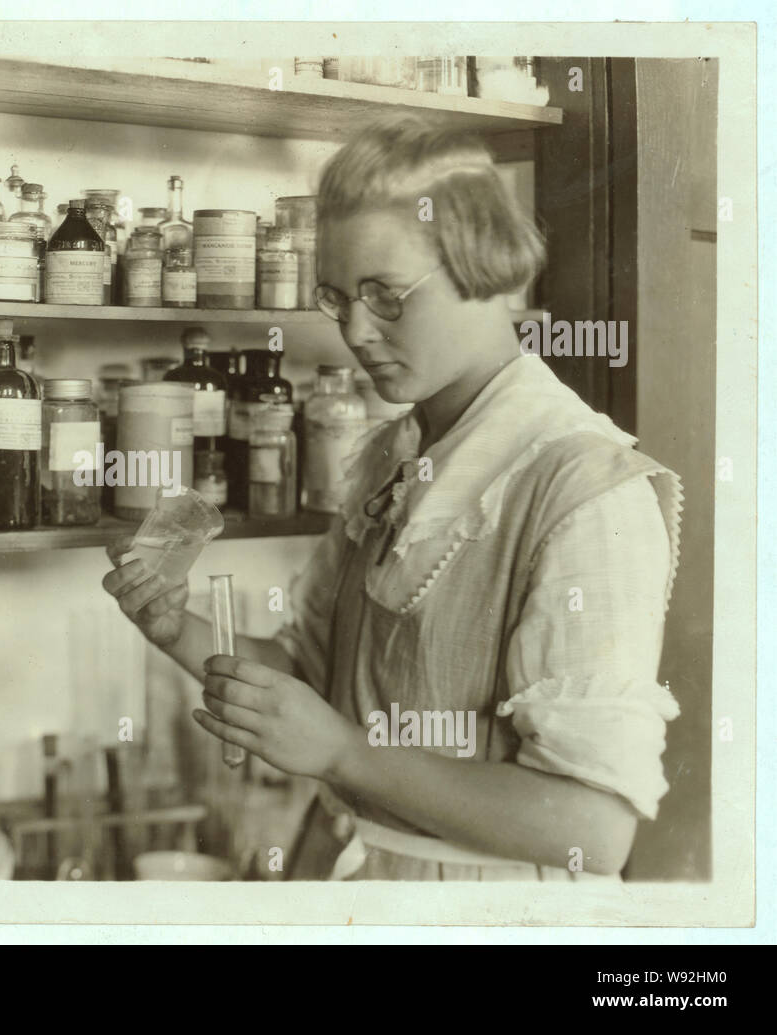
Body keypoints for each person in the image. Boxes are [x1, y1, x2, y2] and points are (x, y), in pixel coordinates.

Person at [101, 117, 682, 881]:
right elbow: (313, 673)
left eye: (385, 294)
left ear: (482, 266)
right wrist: (178, 626)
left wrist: (346, 752)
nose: (354, 329)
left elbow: (594, 827)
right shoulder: (390, 457)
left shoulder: (583, 488)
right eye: (337, 297)